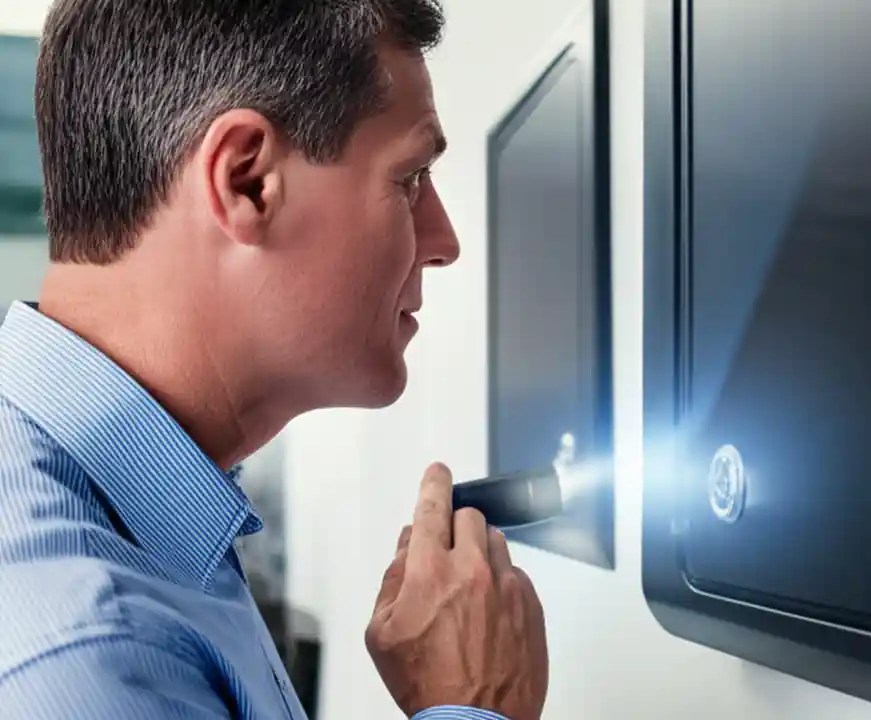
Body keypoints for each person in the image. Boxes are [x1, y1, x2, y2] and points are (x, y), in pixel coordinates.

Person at [0, 1, 548, 718]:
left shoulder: (149, 517)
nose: (443, 241)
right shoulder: (91, 657)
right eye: (410, 177)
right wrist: (471, 706)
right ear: (248, 181)